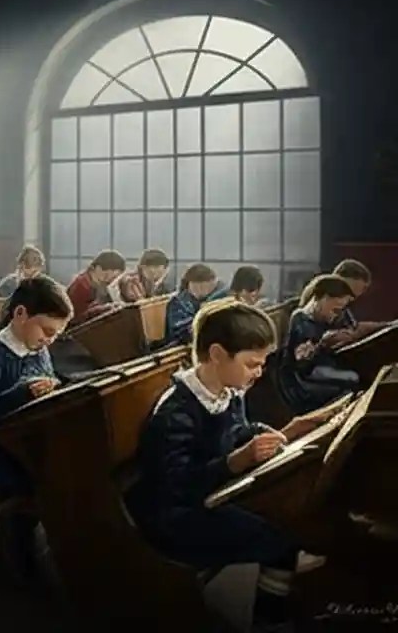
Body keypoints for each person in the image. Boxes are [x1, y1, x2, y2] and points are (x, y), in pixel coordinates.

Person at [128, 300, 332, 629]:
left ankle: (275, 598)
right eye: (253, 363)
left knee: (285, 522)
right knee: (278, 541)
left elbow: (238, 429)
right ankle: (268, 620)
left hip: (212, 494)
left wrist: (269, 434)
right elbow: (177, 485)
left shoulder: (228, 389)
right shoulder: (176, 412)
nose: (260, 372)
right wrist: (235, 462)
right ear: (219, 354)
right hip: (175, 516)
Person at [0, 275, 72, 582]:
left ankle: (59, 552)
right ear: (20, 314)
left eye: (57, 335)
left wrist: (53, 387)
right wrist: (25, 393)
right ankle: (21, 560)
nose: (50, 340)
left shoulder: (38, 347)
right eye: (47, 330)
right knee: (37, 480)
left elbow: (49, 377)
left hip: (22, 440)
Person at [278, 275, 360, 416]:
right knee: (352, 379)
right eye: (335, 310)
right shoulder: (301, 319)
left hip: (325, 367)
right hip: (303, 376)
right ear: (321, 299)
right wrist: (322, 344)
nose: (336, 316)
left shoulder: (332, 318)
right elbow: (301, 363)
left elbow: (352, 327)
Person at [164, 264, 220, 346]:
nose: (210, 291)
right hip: (180, 346)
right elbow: (181, 332)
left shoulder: (208, 299)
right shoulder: (178, 303)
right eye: (208, 286)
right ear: (194, 285)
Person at [67, 250, 125, 324]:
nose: (111, 280)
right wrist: (105, 308)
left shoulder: (95, 284)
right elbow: (78, 316)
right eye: (109, 275)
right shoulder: (82, 285)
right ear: (99, 268)